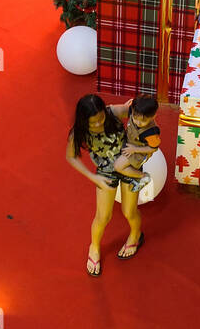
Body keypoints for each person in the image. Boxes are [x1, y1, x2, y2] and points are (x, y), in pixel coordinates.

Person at [65, 94, 153, 276]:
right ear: (83, 120)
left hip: (129, 163)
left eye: (101, 119)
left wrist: (149, 143)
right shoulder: (78, 132)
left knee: (129, 211)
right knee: (103, 216)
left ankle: (136, 235)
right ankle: (94, 247)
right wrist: (93, 177)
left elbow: (142, 114)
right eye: (93, 123)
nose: (98, 124)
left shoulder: (114, 112)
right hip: (105, 171)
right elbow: (71, 157)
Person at [115, 96, 162, 194]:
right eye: (135, 118)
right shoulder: (134, 110)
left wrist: (134, 149)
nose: (138, 123)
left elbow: (153, 149)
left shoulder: (151, 132)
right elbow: (129, 105)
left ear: (153, 116)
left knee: (118, 166)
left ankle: (143, 176)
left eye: (143, 121)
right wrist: (125, 105)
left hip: (139, 151)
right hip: (129, 141)